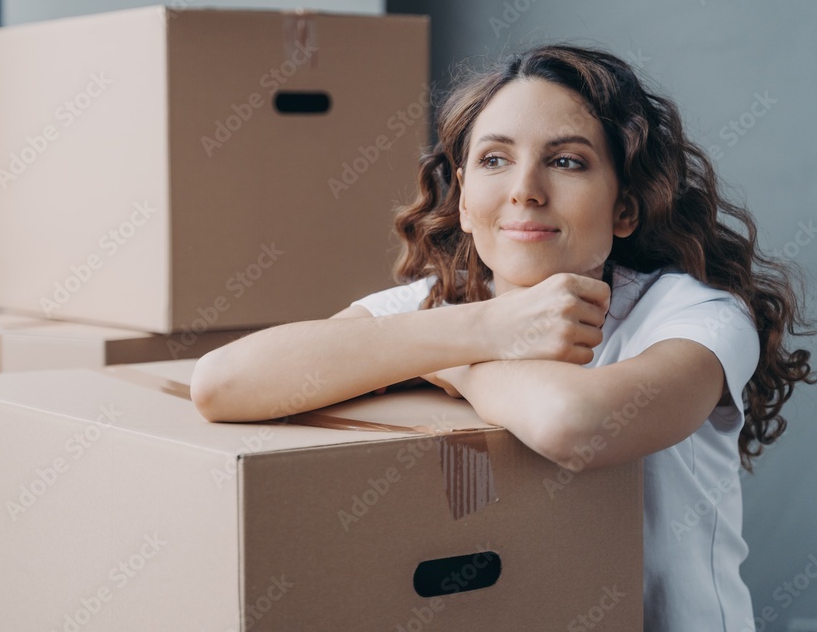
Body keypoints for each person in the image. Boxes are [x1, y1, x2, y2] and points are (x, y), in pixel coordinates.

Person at [190, 44, 814, 630]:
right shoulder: (440, 310)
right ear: (464, 202)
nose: (524, 189)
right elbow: (221, 384)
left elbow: (576, 424)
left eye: (566, 161)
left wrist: (450, 362)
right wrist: (487, 326)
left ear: (625, 207)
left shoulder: (696, 315)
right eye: (494, 160)